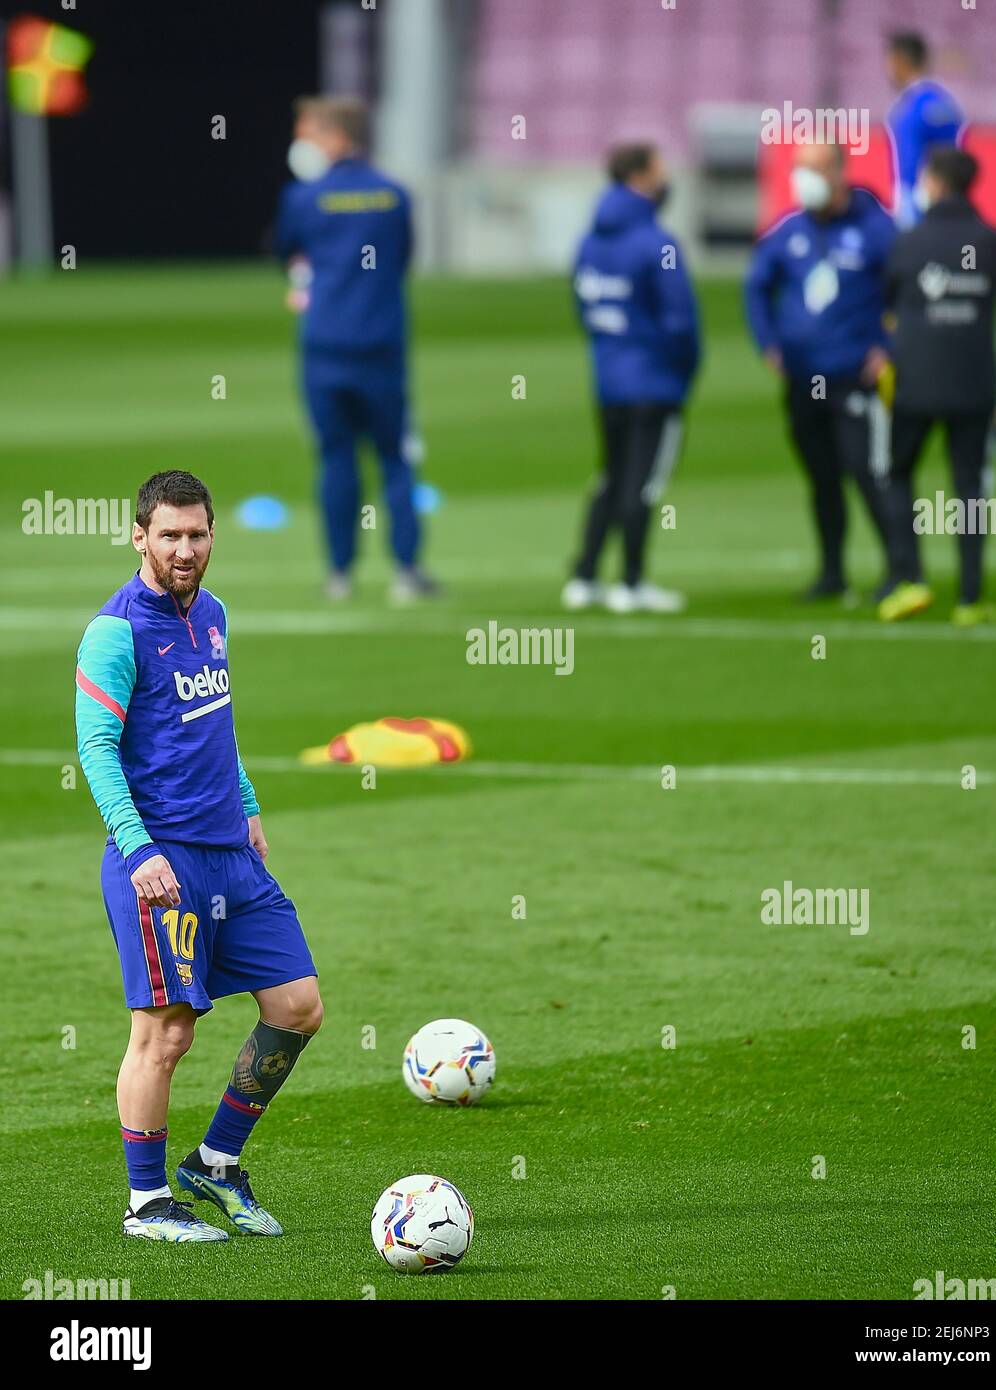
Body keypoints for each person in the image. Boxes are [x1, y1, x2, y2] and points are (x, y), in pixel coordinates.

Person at [75, 470, 323, 1241]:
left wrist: (246, 805)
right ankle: (147, 1204)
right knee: (166, 1034)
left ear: (212, 536)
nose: (185, 549)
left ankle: (214, 1163)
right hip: (162, 862)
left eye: (198, 534)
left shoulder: (212, 614)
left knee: (298, 1007)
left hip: (230, 856)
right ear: (139, 537)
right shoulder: (115, 631)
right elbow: (97, 748)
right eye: (170, 535)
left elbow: (213, 721)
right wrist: (137, 846)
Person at [275, 96, 434, 602]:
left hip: (324, 348)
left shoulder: (304, 198)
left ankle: (339, 574)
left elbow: (287, 253)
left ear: (339, 137)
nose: (302, 144)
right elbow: (405, 258)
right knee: (396, 458)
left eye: (311, 133)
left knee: (336, 458)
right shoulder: (394, 195)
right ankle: (407, 572)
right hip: (381, 346)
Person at [745, 142, 897, 600]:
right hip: (802, 377)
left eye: (810, 169)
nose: (800, 178)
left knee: (868, 472)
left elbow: (906, 290)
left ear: (837, 171)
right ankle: (832, 572)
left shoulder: (877, 229)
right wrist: (768, 343)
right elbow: (756, 286)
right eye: (796, 168)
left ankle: (900, 569)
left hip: (854, 375)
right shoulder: (788, 232)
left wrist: (887, 347)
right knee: (821, 477)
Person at [563, 143, 700, 614]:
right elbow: (680, 321)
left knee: (611, 476)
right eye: (660, 171)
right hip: (654, 380)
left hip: (609, 378)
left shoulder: (588, 241)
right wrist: (683, 370)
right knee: (644, 484)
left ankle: (583, 577)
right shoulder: (659, 245)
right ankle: (631, 582)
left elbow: (584, 306)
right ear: (641, 176)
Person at [879, 147, 996, 624]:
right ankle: (971, 598)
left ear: (932, 182)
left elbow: (888, 298)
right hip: (975, 382)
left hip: (914, 381)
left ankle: (911, 579)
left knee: (896, 473)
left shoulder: (908, 241)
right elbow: (992, 293)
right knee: (970, 487)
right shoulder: (991, 240)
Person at [885, 31, 965, 229]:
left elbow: (909, 159)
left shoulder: (909, 107)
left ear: (900, 60)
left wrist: (907, 202)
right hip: (951, 196)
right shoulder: (946, 102)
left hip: (917, 201)